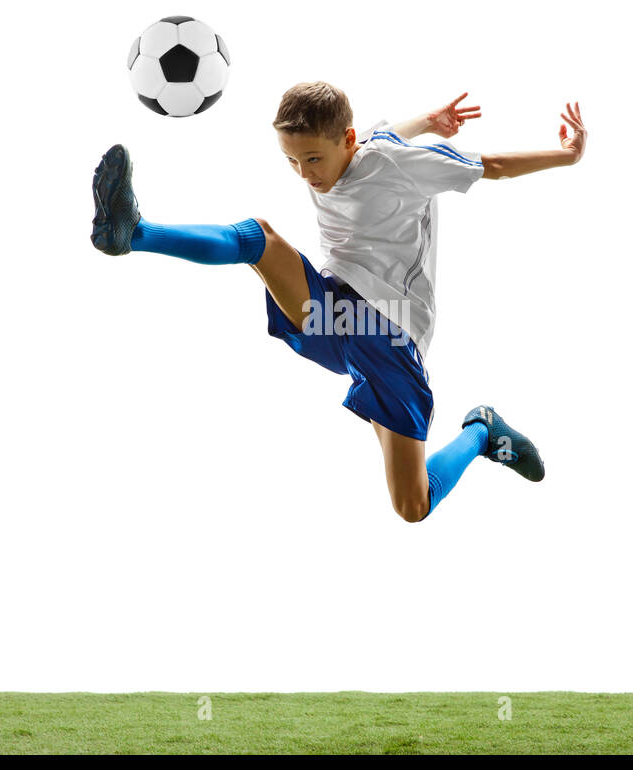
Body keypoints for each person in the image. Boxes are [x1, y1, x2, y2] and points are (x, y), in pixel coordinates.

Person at [91, 82, 587, 521]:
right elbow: (386, 130)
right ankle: (134, 232)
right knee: (259, 238)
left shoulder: (402, 164)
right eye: (291, 160)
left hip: (389, 330)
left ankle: (481, 431)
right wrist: (429, 120)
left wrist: (566, 155)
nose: (305, 173)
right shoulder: (361, 142)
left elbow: (493, 167)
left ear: (347, 142)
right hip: (333, 313)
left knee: (412, 507)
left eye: (313, 159)